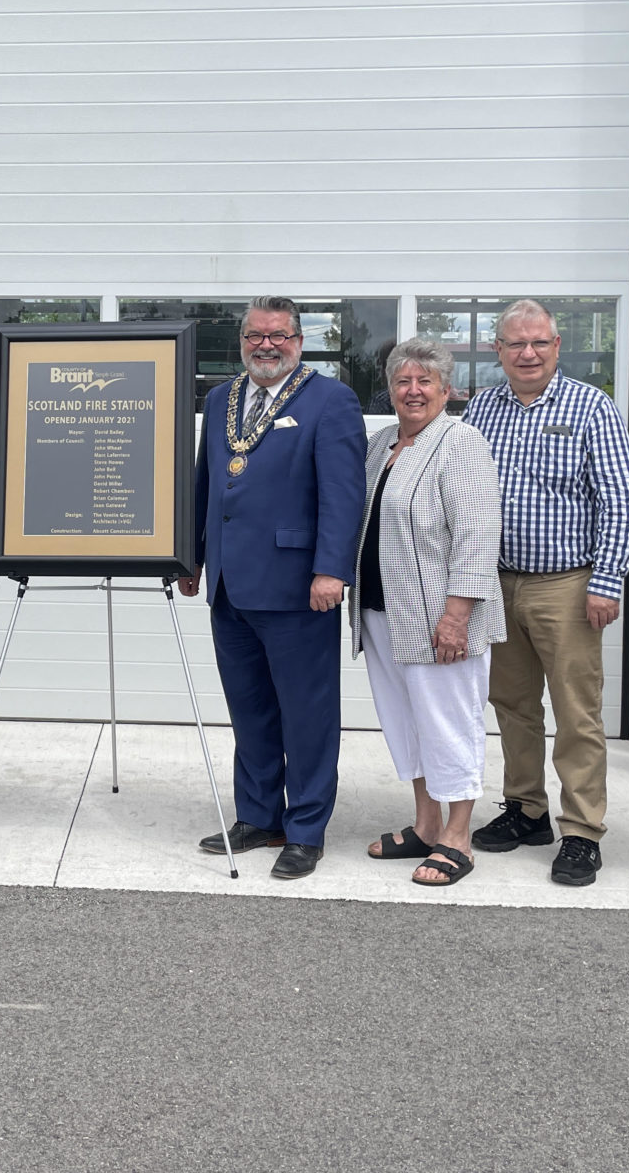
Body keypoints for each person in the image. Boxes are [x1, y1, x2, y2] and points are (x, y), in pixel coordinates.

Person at [178, 296, 366, 881]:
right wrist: (190, 556)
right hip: (230, 584)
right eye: (256, 335)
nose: (266, 345)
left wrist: (332, 570)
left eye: (279, 335)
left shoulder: (330, 401)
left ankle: (306, 828)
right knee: (251, 710)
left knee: (306, 713)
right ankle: (259, 815)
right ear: (242, 341)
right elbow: (206, 483)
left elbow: (343, 494)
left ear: (299, 340)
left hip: (297, 587)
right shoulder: (220, 398)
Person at [462, 299, 629, 887]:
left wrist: (607, 582)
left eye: (539, 343)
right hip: (496, 583)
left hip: (568, 584)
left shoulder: (592, 408)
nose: (528, 353)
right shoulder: (482, 409)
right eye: (516, 344)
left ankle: (582, 832)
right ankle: (526, 810)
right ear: (499, 350)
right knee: (511, 706)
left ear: (557, 346)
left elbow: (621, 502)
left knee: (575, 712)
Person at [352, 338, 506, 888]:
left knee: (449, 723)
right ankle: (425, 824)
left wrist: (457, 614)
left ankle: (458, 836)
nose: (413, 391)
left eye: (425, 382)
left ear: (446, 389)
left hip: (441, 618)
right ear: (391, 389)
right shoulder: (382, 443)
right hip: (380, 610)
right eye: (403, 381)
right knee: (407, 723)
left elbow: (477, 535)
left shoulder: (461, 443)